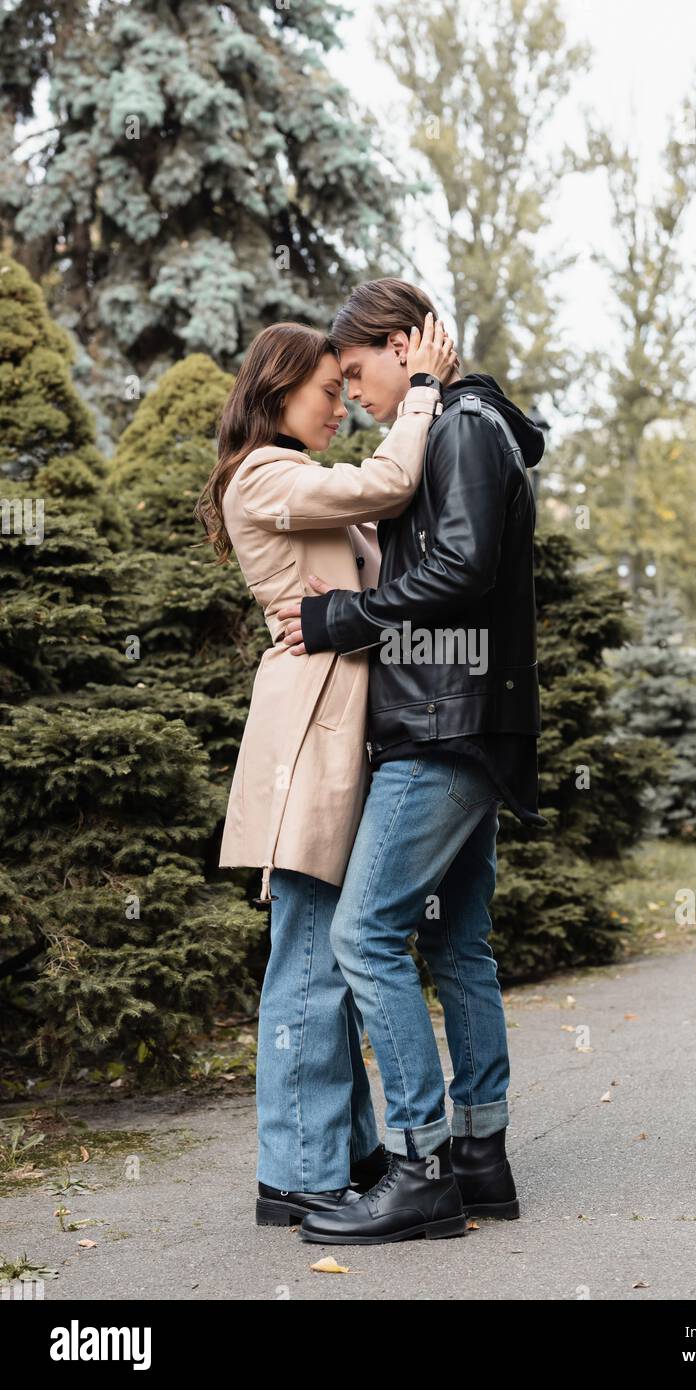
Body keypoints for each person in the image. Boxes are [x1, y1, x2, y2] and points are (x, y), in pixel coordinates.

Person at [278, 277, 547, 1245]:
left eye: (356, 375)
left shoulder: (464, 424)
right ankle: (480, 1155)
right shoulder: (475, 424)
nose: (354, 398)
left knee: (365, 937)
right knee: (458, 943)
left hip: (442, 726)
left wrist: (339, 616)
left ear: (405, 345)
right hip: (470, 720)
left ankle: (422, 1164)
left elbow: (462, 563)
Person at [194, 312, 458, 1226]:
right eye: (327, 390)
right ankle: (299, 1170)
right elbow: (387, 485)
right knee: (311, 959)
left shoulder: (291, 473)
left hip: (331, 719)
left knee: (322, 958)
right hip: (308, 726)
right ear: (276, 394)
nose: (342, 403)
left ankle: (335, 1151)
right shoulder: (269, 472)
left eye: (347, 390)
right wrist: (419, 392)